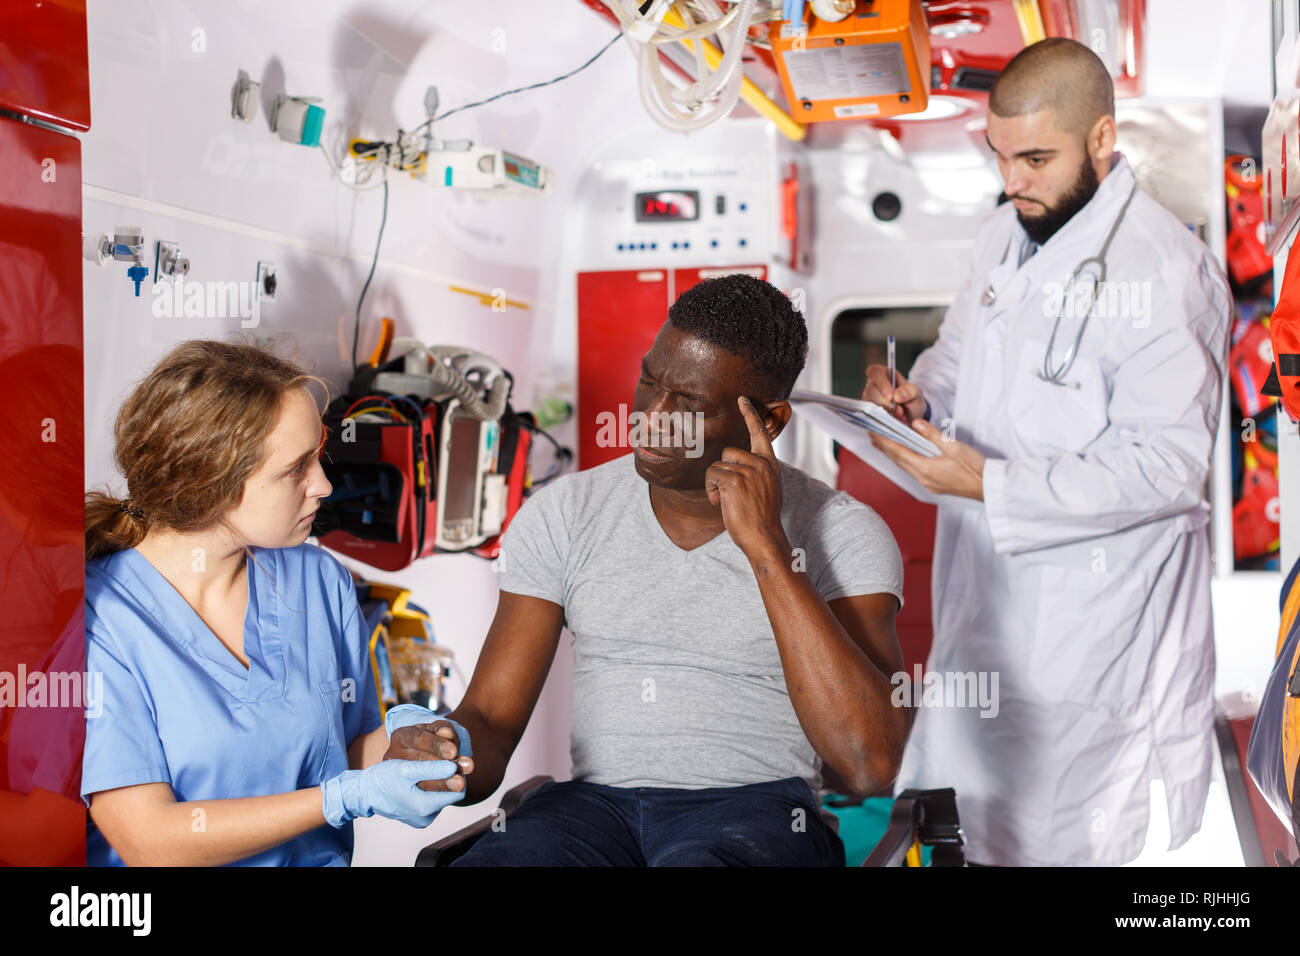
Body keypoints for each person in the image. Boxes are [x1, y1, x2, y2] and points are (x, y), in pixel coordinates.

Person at [387, 273, 908, 866]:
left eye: (688, 403)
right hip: (589, 811)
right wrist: (444, 751)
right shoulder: (564, 512)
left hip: (757, 811)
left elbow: (868, 765)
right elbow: (492, 718)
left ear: (770, 421)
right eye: (649, 382)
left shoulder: (844, 531)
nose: (652, 417)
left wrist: (767, 548)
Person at [861, 38, 1231, 865]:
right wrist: (920, 397)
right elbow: (954, 361)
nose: (1012, 180)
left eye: (1035, 158)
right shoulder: (1005, 233)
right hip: (987, 602)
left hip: (1093, 633)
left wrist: (990, 482)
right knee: (980, 823)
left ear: (1102, 139)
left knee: (1063, 837)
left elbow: (1165, 469)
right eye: (999, 155)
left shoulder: (1168, 273)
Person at [82, 339, 472, 866]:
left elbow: (342, 751)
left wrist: (410, 744)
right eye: (296, 469)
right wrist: (344, 799)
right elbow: (150, 840)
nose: (325, 485)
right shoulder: (100, 618)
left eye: (319, 454)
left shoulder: (318, 580)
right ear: (211, 482)